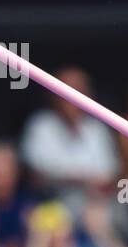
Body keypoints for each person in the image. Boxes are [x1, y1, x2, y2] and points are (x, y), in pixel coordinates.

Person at [19, 66, 119, 194]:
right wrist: (83, 179)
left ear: (88, 94)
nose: (71, 97)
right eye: (65, 90)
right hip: (51, 198)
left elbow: (109, 173)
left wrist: (77, 179)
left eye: (77, 90)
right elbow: (37, 173)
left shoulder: (97, 128)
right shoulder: (40, 124)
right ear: (53, 93)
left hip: (93, 200)